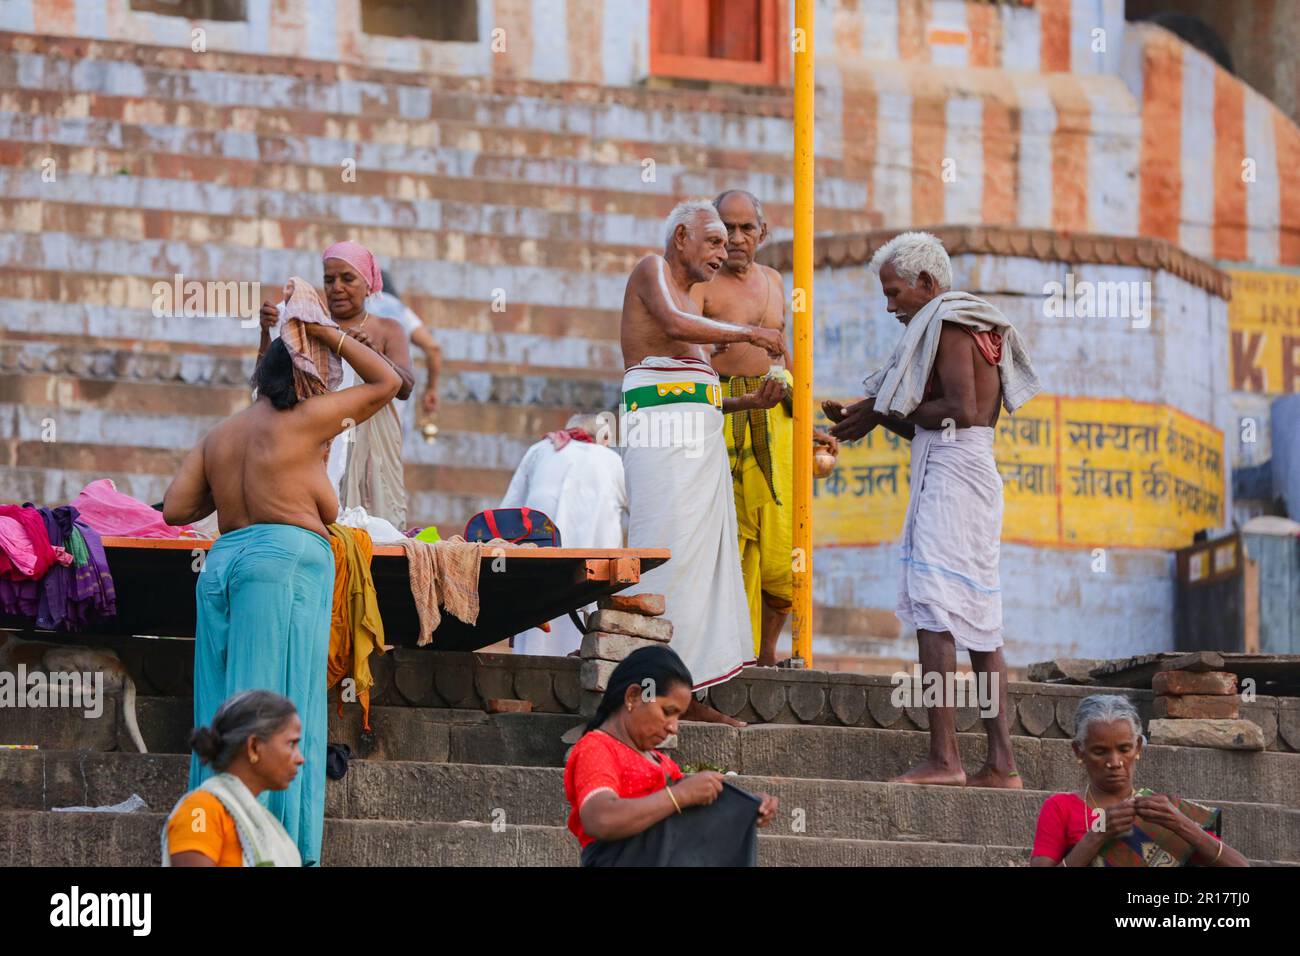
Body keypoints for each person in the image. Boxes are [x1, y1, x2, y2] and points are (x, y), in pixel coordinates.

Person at [163, 317, 401, 864]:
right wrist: (327, 330)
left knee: (223, 712)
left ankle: (212, 842)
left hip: (223, 565)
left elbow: (176, 508)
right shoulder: (306, 417)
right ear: (308, 378)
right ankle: (273, 852)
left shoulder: (223, 433)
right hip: (283, 567)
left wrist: (236, 487)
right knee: (278, 715)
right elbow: (387, 382)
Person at [825, 231, 1041, 788]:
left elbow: (960, 410)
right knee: (979, 619)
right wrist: (870, 417)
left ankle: (945, 759)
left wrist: (878, 407)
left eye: (895, 293)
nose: (890, 306)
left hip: (953, 477)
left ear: (926, 283)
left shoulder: (946, 320)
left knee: (936, 612)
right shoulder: (965, 321)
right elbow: (939, 417)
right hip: (964, 470)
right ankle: (1001, 764)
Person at [618, 199, 787, 726]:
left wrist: (743, 403)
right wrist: (749, 334)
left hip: (700, 434)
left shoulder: (691, 294)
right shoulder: (652, 271)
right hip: (662, 434)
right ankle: (648, 686)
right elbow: (672, 325)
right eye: (714, 240)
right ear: (681, 237)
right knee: (667, 554)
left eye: (731, 239)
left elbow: (698, 389)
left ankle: (688, 694)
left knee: (706, 566)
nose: (726, 249)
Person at [691, 189, 838, 666]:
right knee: (730, 547)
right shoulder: (702, 286)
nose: (735, 239)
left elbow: (785, 359)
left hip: (776, 422)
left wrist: (808, 420)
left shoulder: (776, 281)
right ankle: (724, 655)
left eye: (744, 229)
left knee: (781, 552)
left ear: (762, 234)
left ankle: (766, 655)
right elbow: (693, 357)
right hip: (727, 415)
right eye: (725, 229)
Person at [564, 645, 777, 866]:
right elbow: (600, 818)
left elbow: (684, 825)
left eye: (678, 716)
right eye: (668, 712)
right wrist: (680, 795)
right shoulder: (597, 747)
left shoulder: (661, 762)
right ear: (634, 696)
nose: (674, 728)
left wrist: (745, 807)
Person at [259, 241, 415, 529]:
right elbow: (269, 380)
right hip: (323, 434)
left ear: (368, 285)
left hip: (371, 443)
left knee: (377, 530)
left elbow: (405, 387)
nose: (337, 288)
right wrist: (266, 332)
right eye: (329, 280)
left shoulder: (387, 329)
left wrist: (374, 356)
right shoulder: (313, 327)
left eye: (347, 279)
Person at [1030, 695, 1248, 867]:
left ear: (1138, 748)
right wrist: (1098, 835)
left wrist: (1180, 823)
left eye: (1124, 749)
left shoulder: (1161, 811)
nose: (1114, 762)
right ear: (1079, 752)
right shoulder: (1061, 808)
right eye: (1100, 751)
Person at [502, 412, 628, 656]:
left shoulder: (540, 450)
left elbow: (508, 511)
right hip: (591, 578)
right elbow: (639, 510)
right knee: (584, 646)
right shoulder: (612, 460)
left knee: (536, 644)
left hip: (537, 573)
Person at [163, 690, 305, 867]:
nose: (300, 758)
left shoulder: (258, 819)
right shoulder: (200, 810)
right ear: (254, 747)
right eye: (291, 744)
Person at [367, 270, 441, 417]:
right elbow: (433, 348)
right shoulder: (400, 310)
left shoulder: (353, 307)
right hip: (395, 396)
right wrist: (431, 389)